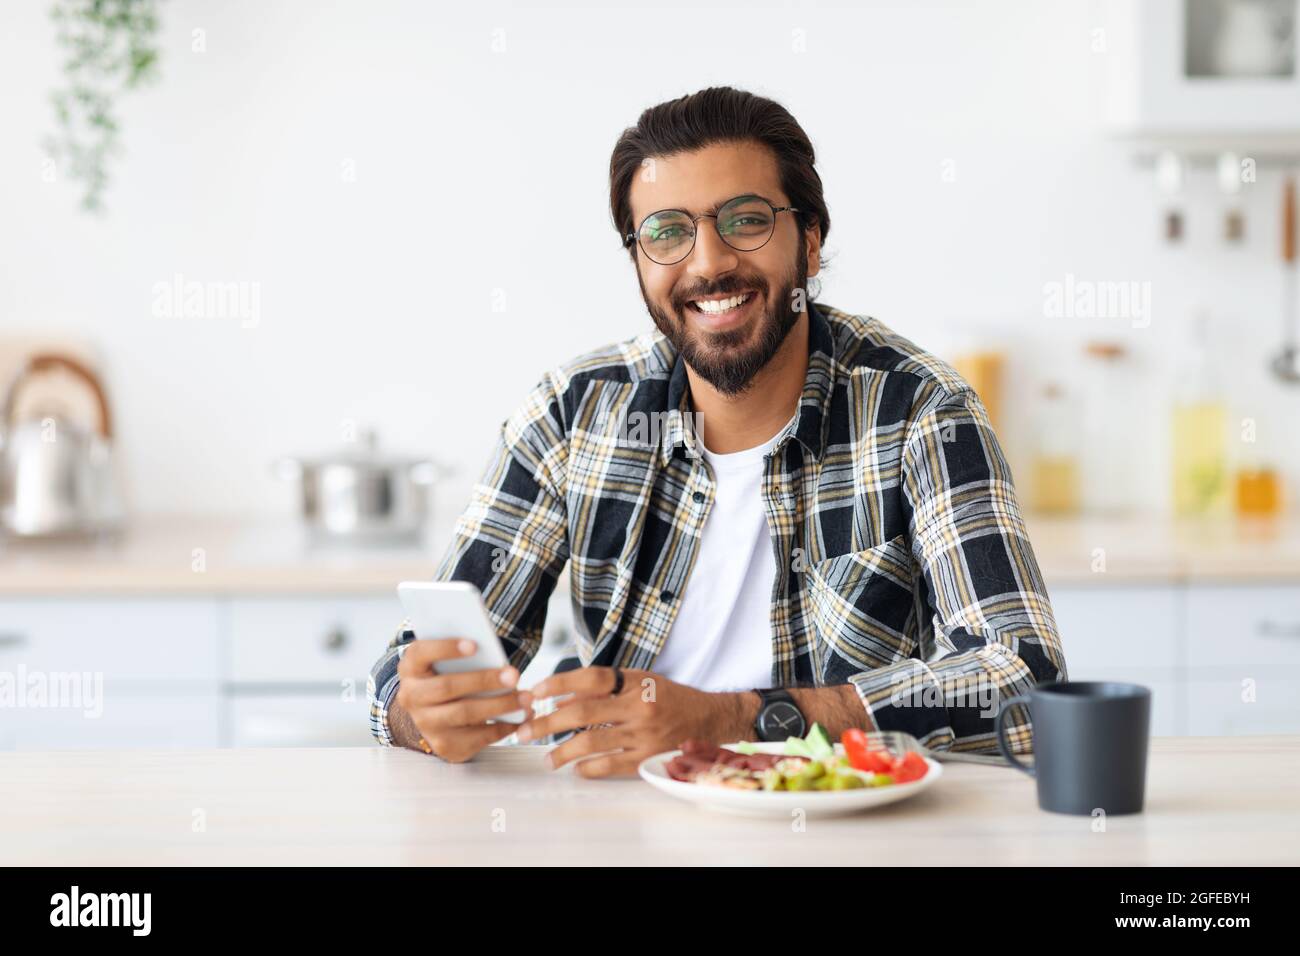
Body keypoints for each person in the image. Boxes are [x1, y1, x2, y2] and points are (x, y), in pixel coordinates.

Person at [367, 86, 1066, 777]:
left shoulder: (920, 411)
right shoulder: (572, 414)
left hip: (846, 828)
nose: (708, 263)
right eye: (668, 232)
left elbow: (1024, 682)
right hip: (617, 821)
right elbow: (412, 668)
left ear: (811, 243)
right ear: (639, 261)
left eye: (746, 219)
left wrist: (733, 719)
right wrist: (419, 711)